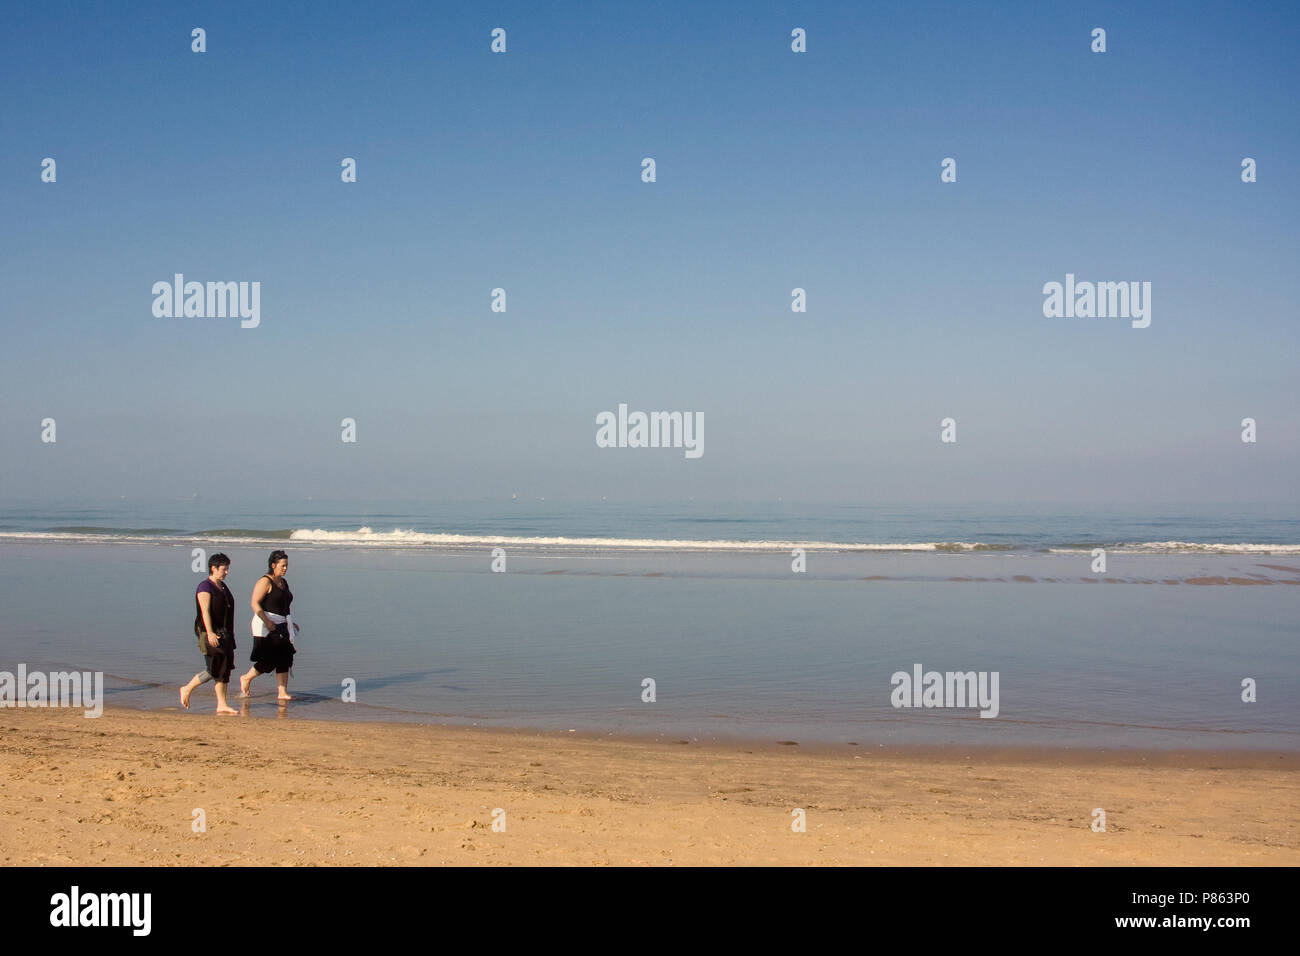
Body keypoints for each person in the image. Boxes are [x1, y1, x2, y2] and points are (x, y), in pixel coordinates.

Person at [180, 553, 238, 714]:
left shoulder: (223, 586)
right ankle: (187, 688)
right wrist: (210, 633)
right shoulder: (205, 587)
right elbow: (205, 611)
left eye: (227, 569)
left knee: (224, 669)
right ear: (213, 568)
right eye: (224, 569)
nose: (227, 572)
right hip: (208, 632)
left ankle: (222, 704)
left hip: (225, 633)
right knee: (214, 669)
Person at [239, 550, 299, 701]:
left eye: (287, 565)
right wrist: (267, 622)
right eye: (283, 565)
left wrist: (291, 623)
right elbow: (254, 603)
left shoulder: (283, 582)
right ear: (273, 565)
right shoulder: (265, 581)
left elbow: (284, 604)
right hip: (265, 624)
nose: (285, 568)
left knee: (285, 657)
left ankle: (282, 693)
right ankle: (246, 678)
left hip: (282, 623)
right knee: (269, 659)